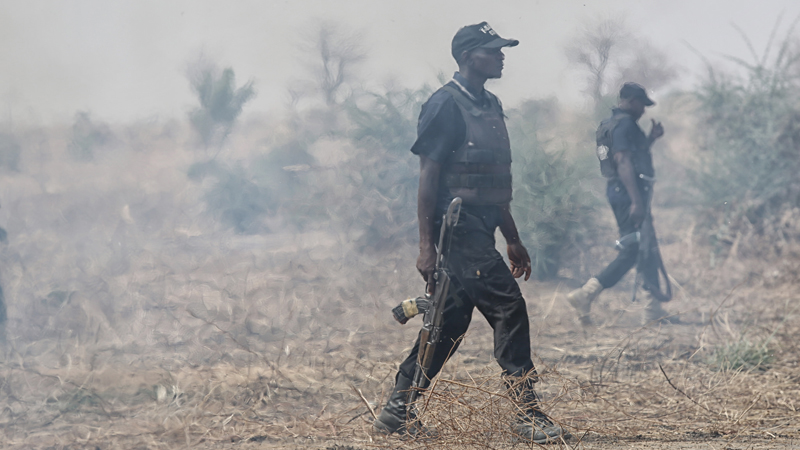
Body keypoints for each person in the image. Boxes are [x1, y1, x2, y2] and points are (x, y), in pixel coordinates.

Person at [372, 22, 568, 444]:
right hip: (456, 230)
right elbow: (429, 178)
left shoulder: (491, 104)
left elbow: (494, 181)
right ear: (468, 57)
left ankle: (397, 410)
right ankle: (527, 412)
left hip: (484, 227)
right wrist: (426, 247)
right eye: (492, 51)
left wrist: (512, 236)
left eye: (501, 51)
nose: (501, 56)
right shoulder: (444, 105)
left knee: (448, 323)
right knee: (509, 307)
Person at [567, 82, 677, 326]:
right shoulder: (625, 124)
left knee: (644, 245)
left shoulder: (611, 124)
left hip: (623, 191)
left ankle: (653, 310)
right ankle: (586, 294)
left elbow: (630, 158)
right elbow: (624, 162)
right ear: (630, 100)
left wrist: (651, 139)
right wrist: (637, 202)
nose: (643, 110)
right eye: (641, 104)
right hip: (629, 193)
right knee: (634, 248)